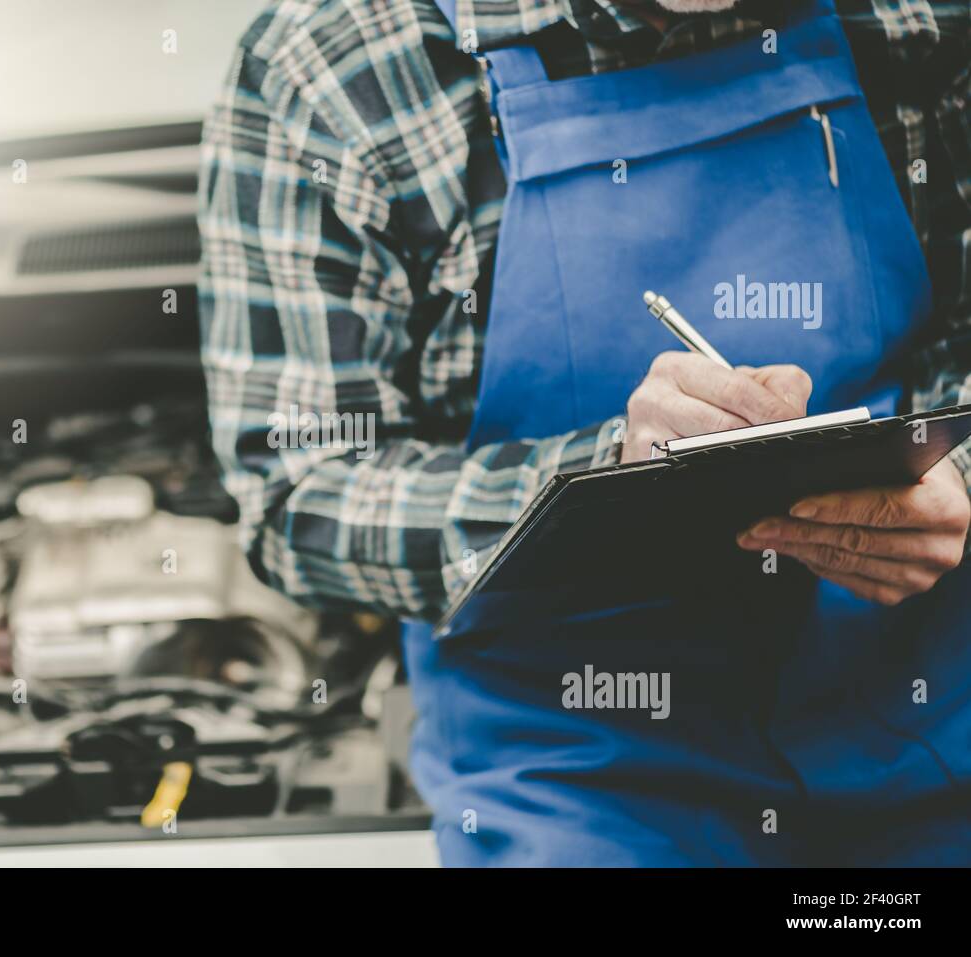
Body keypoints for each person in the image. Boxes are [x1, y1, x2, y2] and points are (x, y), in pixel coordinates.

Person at [197, 0, 971, 865]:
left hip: (924, 732)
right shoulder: (339, 68)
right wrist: (608, 478)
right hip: (580, 779)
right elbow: (298, 493)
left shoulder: (925, 18)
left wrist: (960, 472)